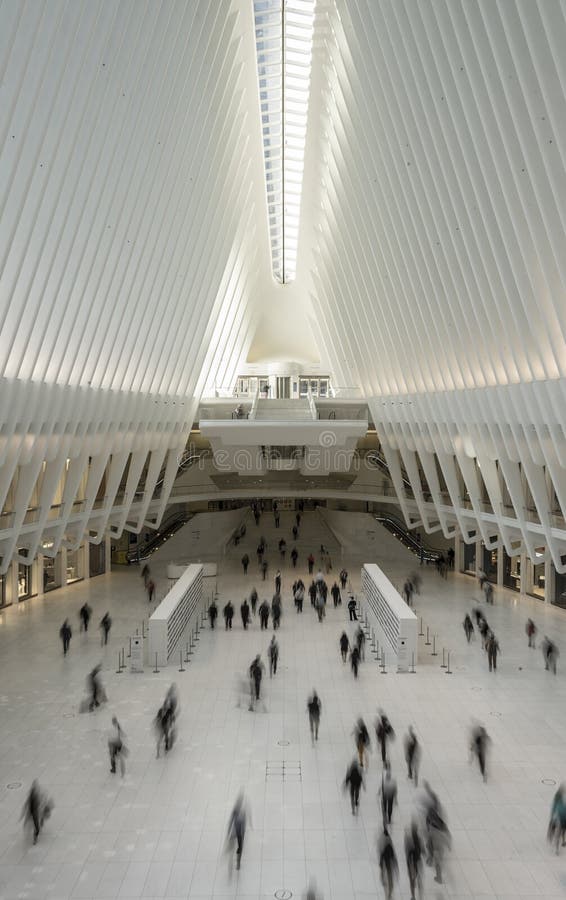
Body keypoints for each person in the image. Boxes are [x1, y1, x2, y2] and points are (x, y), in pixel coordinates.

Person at [21, 780, 52, 845]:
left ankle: (39, 827)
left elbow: (43, 801)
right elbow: (27, 805)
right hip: (34, 813)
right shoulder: (32, 796)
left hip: (37, 812)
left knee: (37, 825)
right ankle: (35, 836)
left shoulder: (39, 795)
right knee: (37, 827)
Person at [226, 792, 250, 870]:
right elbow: (243, 823)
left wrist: (229, 831)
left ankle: (237, 860)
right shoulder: (241, 812)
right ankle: (238, 861)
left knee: (238, 847)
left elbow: (231, 821)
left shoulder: (237, 811)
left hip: (236, 832)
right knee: (239, 847)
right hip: (238, 832)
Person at [404, 820, 423, 900]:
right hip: (418, 860)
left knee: (412, 880)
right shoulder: (419, 838)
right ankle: (420, 895)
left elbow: (406, 850)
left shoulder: (409, 838)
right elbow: (422, 849)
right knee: (419, 878)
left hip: (411, 861)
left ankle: (413, 896)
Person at [377, 829, 398, 900]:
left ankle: (388, 895)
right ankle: (389, 895)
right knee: (390, 880)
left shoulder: (382, 842)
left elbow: (381, 853)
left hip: (386, 862)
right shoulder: (389, 842)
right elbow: (393, 854)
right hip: (389, 863)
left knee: (387, 880)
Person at [548, 783, 566, 854]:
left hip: (561, 820)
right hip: (560, 820)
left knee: (561, 832)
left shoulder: (561, 803)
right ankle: (558, 846)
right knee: (560, 833)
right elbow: (554, 809)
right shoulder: (559, 803)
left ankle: (560, 843)